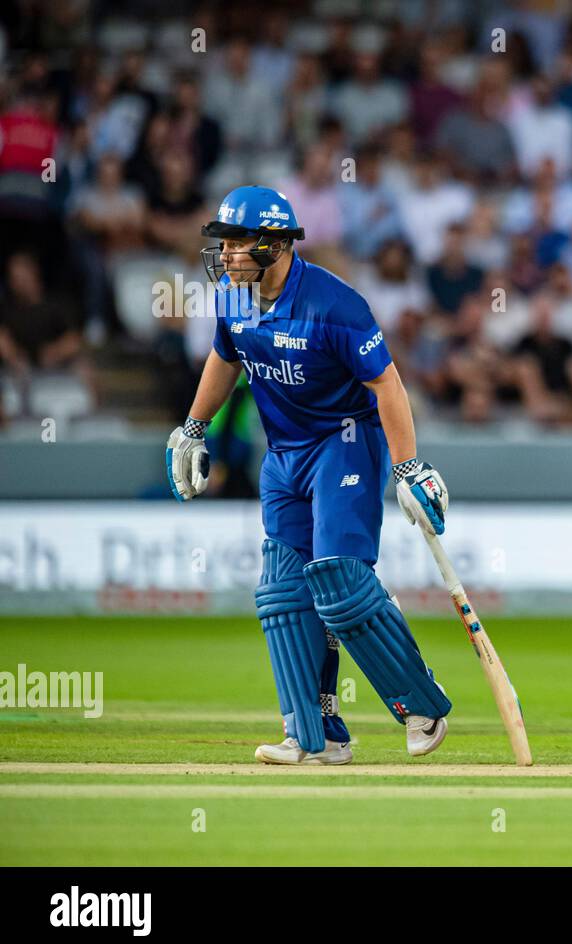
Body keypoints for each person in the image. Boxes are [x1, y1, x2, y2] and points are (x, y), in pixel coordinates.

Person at [166, 185, 453, 766]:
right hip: (282, 455)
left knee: (341, 581)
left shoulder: (335, 304)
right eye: (222, 243)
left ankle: (421, 703)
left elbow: (387, 384)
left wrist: (408, 466)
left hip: (345, 445)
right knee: (282, 590)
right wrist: (194, 428)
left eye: (236, 243)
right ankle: (315, 733)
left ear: (274, 245)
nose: (224, 255)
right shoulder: (233, 297)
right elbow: (225, 358)